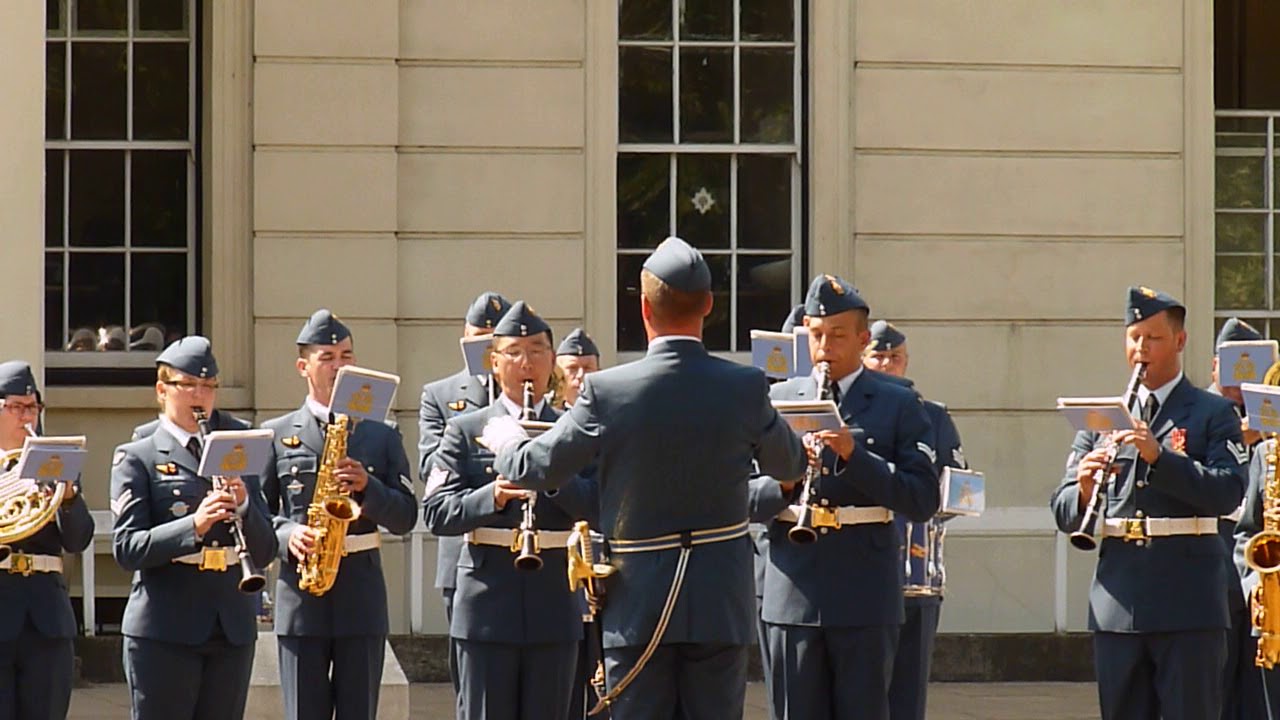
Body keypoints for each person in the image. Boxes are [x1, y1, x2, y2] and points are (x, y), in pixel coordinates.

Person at [487, 237, 808, 719]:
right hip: (719, 603)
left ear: (643, 307)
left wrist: (507, 443)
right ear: (709, 306)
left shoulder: (608, 390)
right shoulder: (744, 385)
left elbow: (541, 467)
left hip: (638, 605)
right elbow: (790, 466)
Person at [1049, 287, 1248, 720]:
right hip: (1118, 603)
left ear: (1180, 341)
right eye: (1134, 337)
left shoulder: (1213, 412)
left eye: (1154, 338)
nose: (1141, 348)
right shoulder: (1103, 416)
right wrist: (1083, 488)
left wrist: (1161, 458)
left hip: (1189, 604)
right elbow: (1063, 510)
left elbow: (1229, 490)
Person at [749, 276, 940, 720]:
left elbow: (922, 498)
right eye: (816, 334)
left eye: (837, 335)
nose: (824, 347)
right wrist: (785, 483)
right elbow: (741, 495)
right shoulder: (775, 401)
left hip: (864, 592)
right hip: (792, 591)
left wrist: (855, 456)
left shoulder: (898, 403)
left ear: (862, 339)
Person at [424, 302, 599, 720]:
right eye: (515, 352)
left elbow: (599, 505)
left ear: (552, 361)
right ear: (494, 361)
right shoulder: (467, 429)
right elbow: (437, 511)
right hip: (486, 601)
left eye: (537, 350)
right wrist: (493, 497)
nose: (526, 363)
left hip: (554, 599)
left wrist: (550, 477)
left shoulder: (575, 428)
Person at [259, 309, 418, 720]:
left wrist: (369, 487)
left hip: (360, 595)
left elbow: (406, 515)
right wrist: (287, 535)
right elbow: (258, 516)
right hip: (301, 595)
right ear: (303, 367)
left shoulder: (381, 434)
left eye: (346, 356)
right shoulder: (277, 433)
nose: (338, 366)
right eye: (327, 357)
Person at [110, 336, 277, 720]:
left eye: (208, 386)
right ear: (162, 390)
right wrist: (194, 525)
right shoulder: (138, 456)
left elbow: (267, 549)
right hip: (165, 628)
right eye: (188, 385)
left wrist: (244, 504)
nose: (200, 395)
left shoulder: (237, 447)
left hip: (231, 624)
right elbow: (127, 548)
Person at [862, 320, 968, 720]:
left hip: (916, 570)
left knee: (907, 695)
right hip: (861, 568)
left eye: (895, 357)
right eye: (878, 356)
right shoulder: (851, 413)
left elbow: (959, 484)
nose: (887, 364)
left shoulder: (931, 415)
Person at [417, 291, 511, 694]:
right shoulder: (440, 395)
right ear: (465, 336)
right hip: (464, 554)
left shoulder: (533, 394)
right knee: (472, 687)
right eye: (478, 338)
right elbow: (430, 468)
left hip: (522, 555)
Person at [0, 361, 93, 720]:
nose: (27, 416)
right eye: (17, 407)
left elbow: (77, 539)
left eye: (33, 407)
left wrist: (67, 497)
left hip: (47, 617)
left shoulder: (55, 461)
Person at [1212, 317, 1268, 720]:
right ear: (1215, 366)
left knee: (1258, 685)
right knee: (1217, 683)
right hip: (1214, 552)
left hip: (1262, 563)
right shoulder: (1198, 412)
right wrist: (1236, 435)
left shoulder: (1271, 414)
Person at [554, 328, 600, 409]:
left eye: (587, 368)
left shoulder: (612, 415)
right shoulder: (544, 414)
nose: (580, 375)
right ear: (558, 375)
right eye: (573, 368)